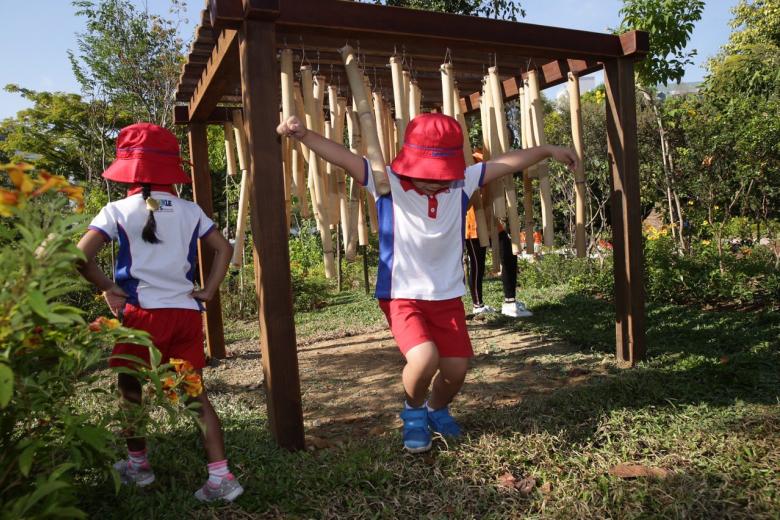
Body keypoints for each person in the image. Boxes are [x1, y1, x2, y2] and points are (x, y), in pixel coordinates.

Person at [277, 113, 577, 453]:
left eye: (440, 175)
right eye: (427, 175)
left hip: (447, 296)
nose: (434, 182)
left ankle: (436, 408)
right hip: (401, 294)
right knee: (424, 359)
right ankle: (414, 413)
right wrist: (303, 135)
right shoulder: (385, 181)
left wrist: (549, 149)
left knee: (456, 369)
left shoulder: (462, 183)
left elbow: (508, 163)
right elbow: (342, 156)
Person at [76, 123, 243, 502]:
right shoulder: (190, 210)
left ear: (128, 171)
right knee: (194, 394)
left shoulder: (116, 210)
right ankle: (221, 477)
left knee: (130, 391)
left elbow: (79, 257)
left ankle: (139, 467)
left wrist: (107, 287)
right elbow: (225, 249)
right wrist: (209, 290)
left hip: (140, 318)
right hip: (185, 314)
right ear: (171, 170)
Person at [464, 152, 532, 318]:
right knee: (477, 264)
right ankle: (478, 305)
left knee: (509, 253)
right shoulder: (469, 158)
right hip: (473, 222)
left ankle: (510, 302)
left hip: (493, 222)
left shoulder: (486, 156)